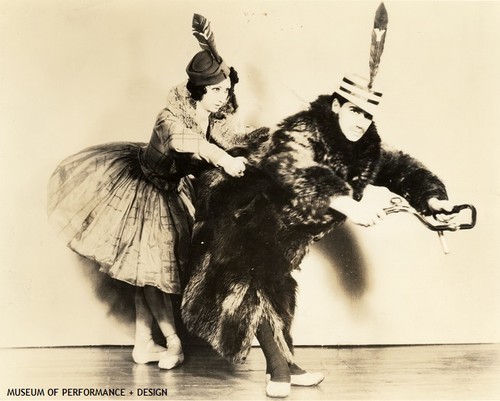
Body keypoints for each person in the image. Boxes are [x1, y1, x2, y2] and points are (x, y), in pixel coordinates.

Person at [47, 14, 249, 370]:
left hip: (171, 192)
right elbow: (186, 143)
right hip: (142, 191)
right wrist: (221, 158)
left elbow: (232, 132)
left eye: (225, 90)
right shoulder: (169, 117)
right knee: (154, 274)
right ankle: (173, 344)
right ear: (198, 90)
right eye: (216, 90)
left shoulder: (214, 114)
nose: (223, 96)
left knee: (147, 274)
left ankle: (144, 343)